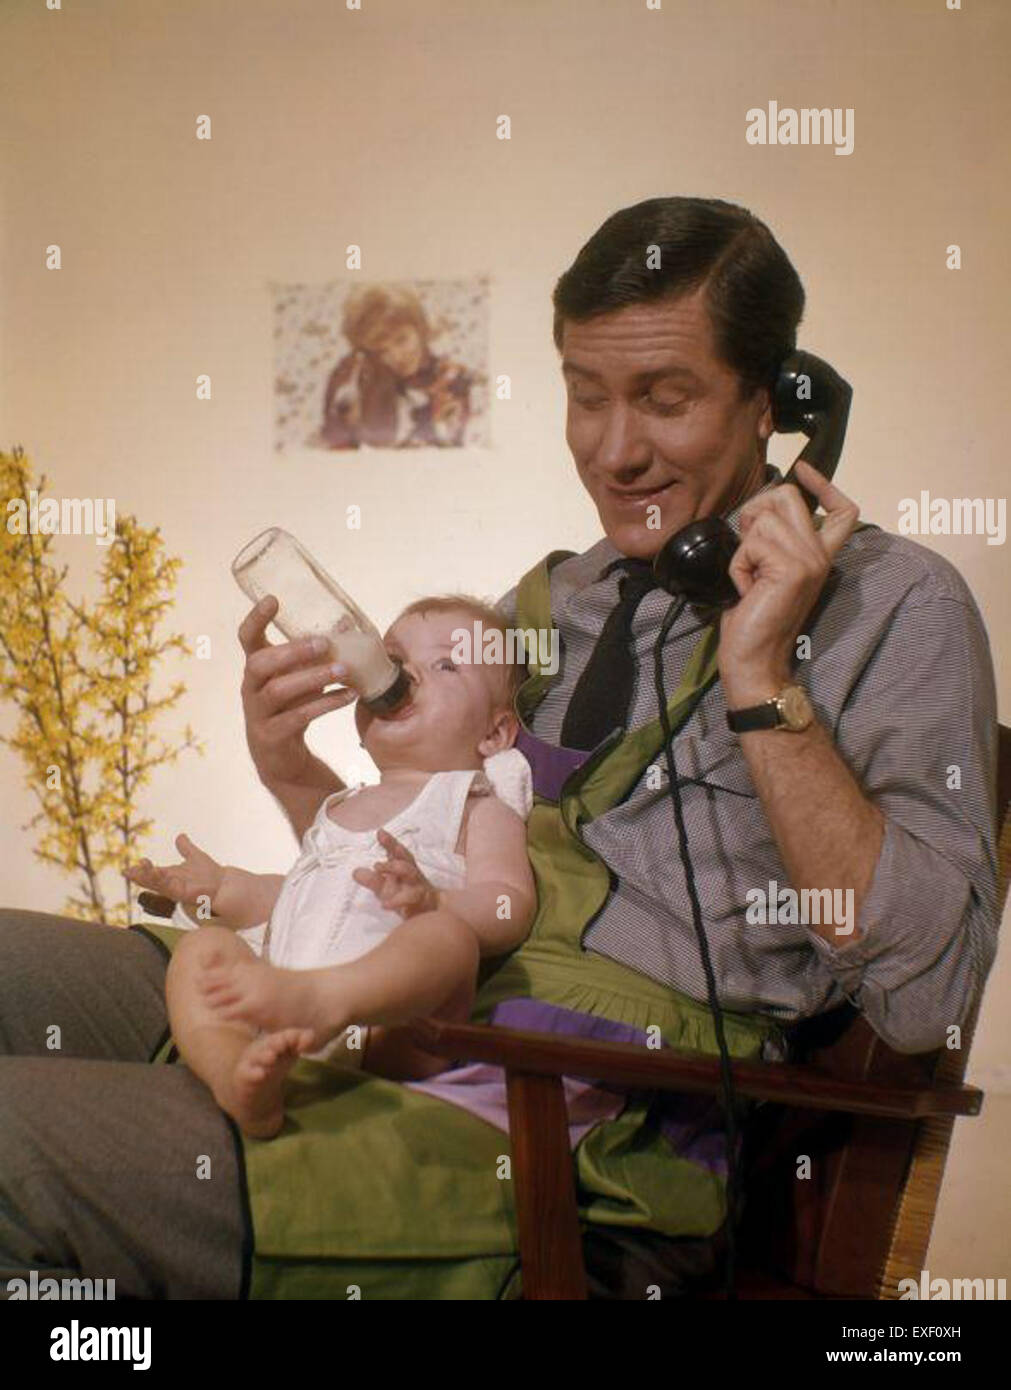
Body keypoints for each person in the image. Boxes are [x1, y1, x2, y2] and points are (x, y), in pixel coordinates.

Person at [0, 196, 998, 1301]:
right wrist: (294, 774)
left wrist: (762, 685)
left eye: (665, 401)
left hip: (535, 1115)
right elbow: (430, 854)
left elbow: (926, 998)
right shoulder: (547, 601)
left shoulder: (897, 607)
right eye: (586, 397)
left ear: (773, 403)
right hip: (374, 991)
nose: (617, 453)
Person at [123, 597, 537, 1140]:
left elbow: (510, 902)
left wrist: (437, 902)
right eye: (393, 657)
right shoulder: (339, 806)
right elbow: (299, 898)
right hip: (280, 1011)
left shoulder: (473, 802)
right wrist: (221, 887)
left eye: (446, 665)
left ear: (494, 734)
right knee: (201, 952)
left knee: (447, 939)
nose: (406, 672)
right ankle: (236, 1073)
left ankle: (326, 999)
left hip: (395, 1033)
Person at [313, 284, 473, 449]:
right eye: (381, 351)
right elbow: (336, 440)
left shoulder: (450, 377)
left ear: (420, 328)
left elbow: (449, 443)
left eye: (401, 339)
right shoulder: (362, 380)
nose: (395, 356)